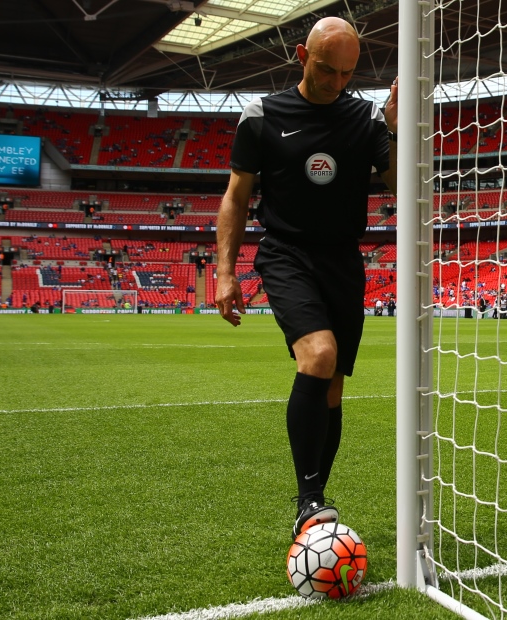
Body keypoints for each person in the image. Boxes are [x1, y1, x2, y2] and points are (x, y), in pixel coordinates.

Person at [214, 16, 398, 541]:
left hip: (343, 260)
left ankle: (314, 498)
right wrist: (225, 272)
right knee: (318, 356)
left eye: (346, 73)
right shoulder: (262, 115)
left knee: (333, 386)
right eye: (325, 69)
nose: (335, 82)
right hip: (286, 253)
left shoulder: (364, 120)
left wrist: (391, 127)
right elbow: (235, 197)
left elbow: (399, 183)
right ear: (301, 55)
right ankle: (308, 499)